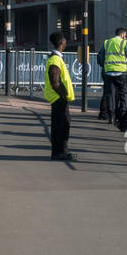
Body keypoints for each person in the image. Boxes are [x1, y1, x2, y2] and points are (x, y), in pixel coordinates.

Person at [45, 32, 76, 161]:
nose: (66, 41)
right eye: (64, 39)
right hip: (59, 98)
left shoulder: (56, 58)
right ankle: (59, 152)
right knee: (61, 126)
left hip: (59, 98)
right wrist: (63, 95)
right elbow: (55, 82)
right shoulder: (55, 60)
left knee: (62, 125)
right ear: (61, 42)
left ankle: (62, 151)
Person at [98, 27, 127, 125]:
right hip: (122, 72)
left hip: (108, 72)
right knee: (124, 94)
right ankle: (122, 114)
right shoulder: (124, 43)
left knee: (110, 95)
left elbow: (101, 57)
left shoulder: (106, 42)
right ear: (123, 34)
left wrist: (106, 65)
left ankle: (111, 116)